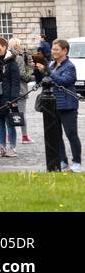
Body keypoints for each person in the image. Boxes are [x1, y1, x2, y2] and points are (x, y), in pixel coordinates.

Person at [35, 39, 81, 173]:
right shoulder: (51, 64)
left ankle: (77, 162)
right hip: (52, 105)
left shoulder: (69, 66)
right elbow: (43, 81)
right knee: (56, 135)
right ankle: (62, 160)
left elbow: (64, 81)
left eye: (56, 50)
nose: (53, 52)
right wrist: (40, 70)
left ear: (65, 51)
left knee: (71, 135)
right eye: (53, 49)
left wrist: (48, 71)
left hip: (67, 105)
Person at [0, 37, 23, 158]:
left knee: (10, 124)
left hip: (8, 97)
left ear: (4, 47)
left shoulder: (11, 62)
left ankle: (12, 147)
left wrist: (14, 99)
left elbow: (15, 82)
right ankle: (2, 146)